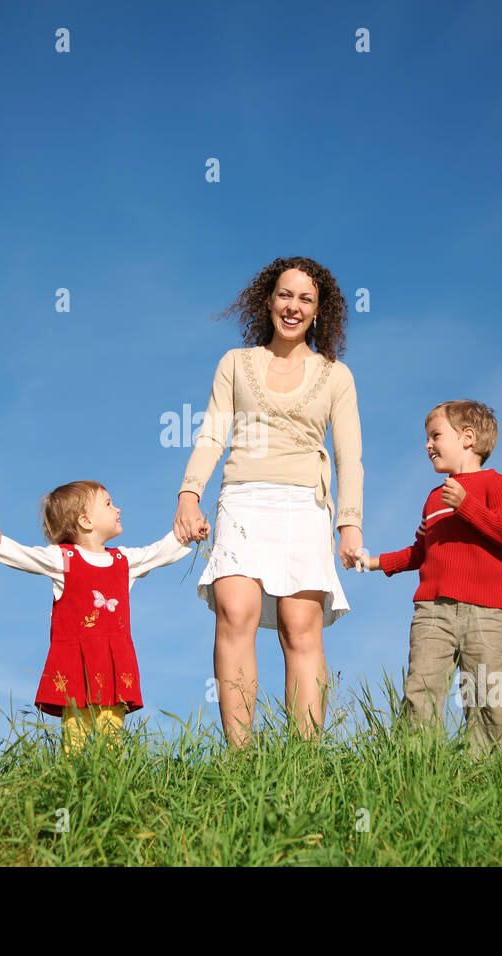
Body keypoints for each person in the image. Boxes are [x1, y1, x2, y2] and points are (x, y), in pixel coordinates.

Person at [173, 256, 364, 747]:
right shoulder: (236, 364)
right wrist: (189, 494)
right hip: (243, 497)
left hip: (305, 504)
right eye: (285, 295)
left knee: (300, 628)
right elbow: (213, 433)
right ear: (268, 300)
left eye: (305, 299)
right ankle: (239, 757)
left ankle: (306, 757)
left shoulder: (336, 376)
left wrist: (350, 523)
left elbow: (349, 455)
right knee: (235, 612)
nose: (293, 307)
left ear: (319, 312)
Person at [0, 481, 189, 752]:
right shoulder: (64, 559)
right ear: (85, 521)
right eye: (108, 504)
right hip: (74, 663)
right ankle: (75, 781)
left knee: (111, 735)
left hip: (114, 662)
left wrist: (187, 535)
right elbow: (22, 555)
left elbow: (158, 553)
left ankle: (109, 783)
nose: (117, 509)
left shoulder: (123, 562)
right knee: (75, 736)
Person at [358, 400, 502, 756]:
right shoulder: (434, 498)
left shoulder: (496, 485)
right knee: (422, 689)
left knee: (487, 698)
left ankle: (490, 777)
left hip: (487, 613)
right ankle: (417, 767)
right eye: (427, 438)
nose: (427, 445)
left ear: (467, 438)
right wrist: (373, 562)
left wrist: (466, 505)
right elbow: (421, 551)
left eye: (435, 436)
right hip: (432, 612)